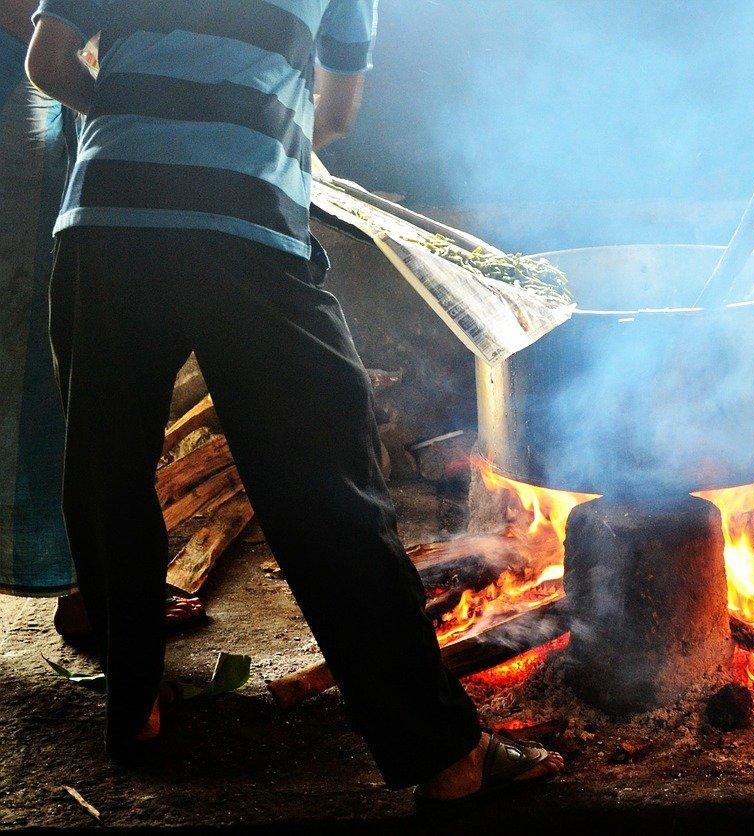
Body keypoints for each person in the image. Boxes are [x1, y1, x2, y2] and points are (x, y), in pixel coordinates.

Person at [25, 0, 561, 802]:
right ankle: (445, 756)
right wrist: (255, 144)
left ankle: (132, 706)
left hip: (104, 224)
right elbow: (336, 114)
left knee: (107, 474)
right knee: (331, 491)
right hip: (245, 236)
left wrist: (145, 121)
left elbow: (46, 60)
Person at [1, 0, 201, 638]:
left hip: (27, 77)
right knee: (39, 336)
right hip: (16, 87)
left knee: (44, 336)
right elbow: (31, 31)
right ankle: (97, 586)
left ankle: (97, 580)